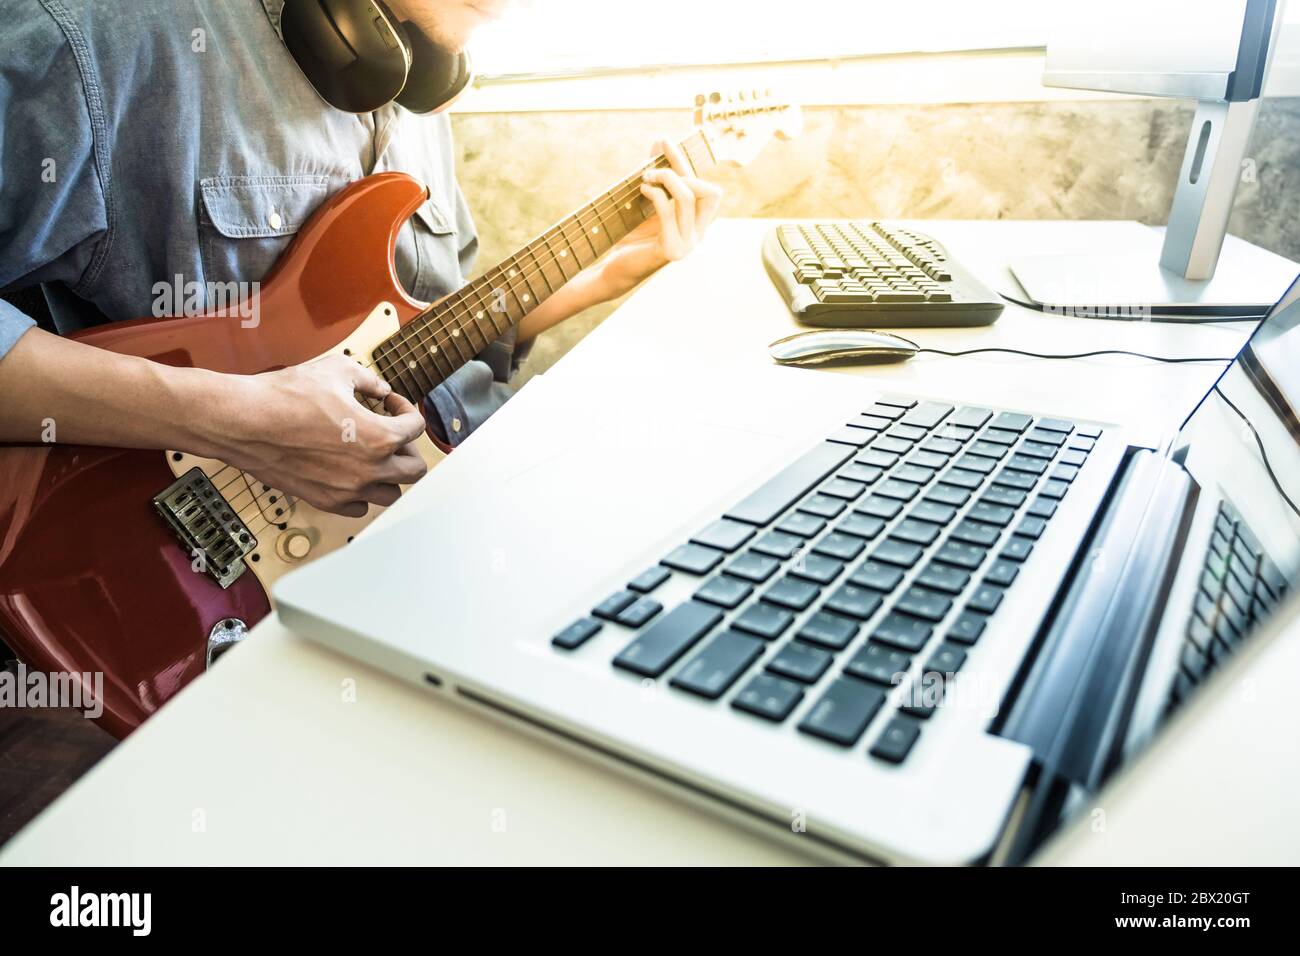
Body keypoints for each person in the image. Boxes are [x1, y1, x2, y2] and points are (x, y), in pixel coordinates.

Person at [0, 0, 722, 518]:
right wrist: (232, 420)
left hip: (456, 502)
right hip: (206, 580)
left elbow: (414, 334)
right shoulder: (93, 37)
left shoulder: (423, 77)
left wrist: (605, 275)